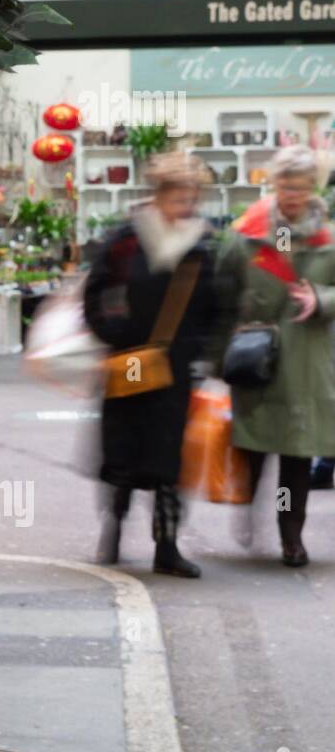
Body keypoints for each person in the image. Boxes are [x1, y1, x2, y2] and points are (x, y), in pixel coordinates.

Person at [83, 153, 222, 576]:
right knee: (124, 447)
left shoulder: (200, 248)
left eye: (191, 198)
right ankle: (114, 529)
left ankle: (167, 546)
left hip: (175, 367)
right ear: (159, 196)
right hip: (128, 358)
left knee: (169, 457)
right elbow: (95, 293)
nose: (186, 206)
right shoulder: (127, 241)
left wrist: (200, 353)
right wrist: (111, 332)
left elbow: (213, 308)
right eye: (178, 197)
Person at [217, 146, 335, 567]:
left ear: (313, 188)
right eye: (286, 185)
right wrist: (226, 334)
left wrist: (321, 299)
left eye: (301, 186)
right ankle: (247, 506)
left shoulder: (329, 236)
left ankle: (291, 534)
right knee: (253, 450)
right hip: (258, 357)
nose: (293, 194)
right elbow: (223, 284)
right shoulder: (248, 233)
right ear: (274, 183)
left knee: (295, 457)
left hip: (304, 360)